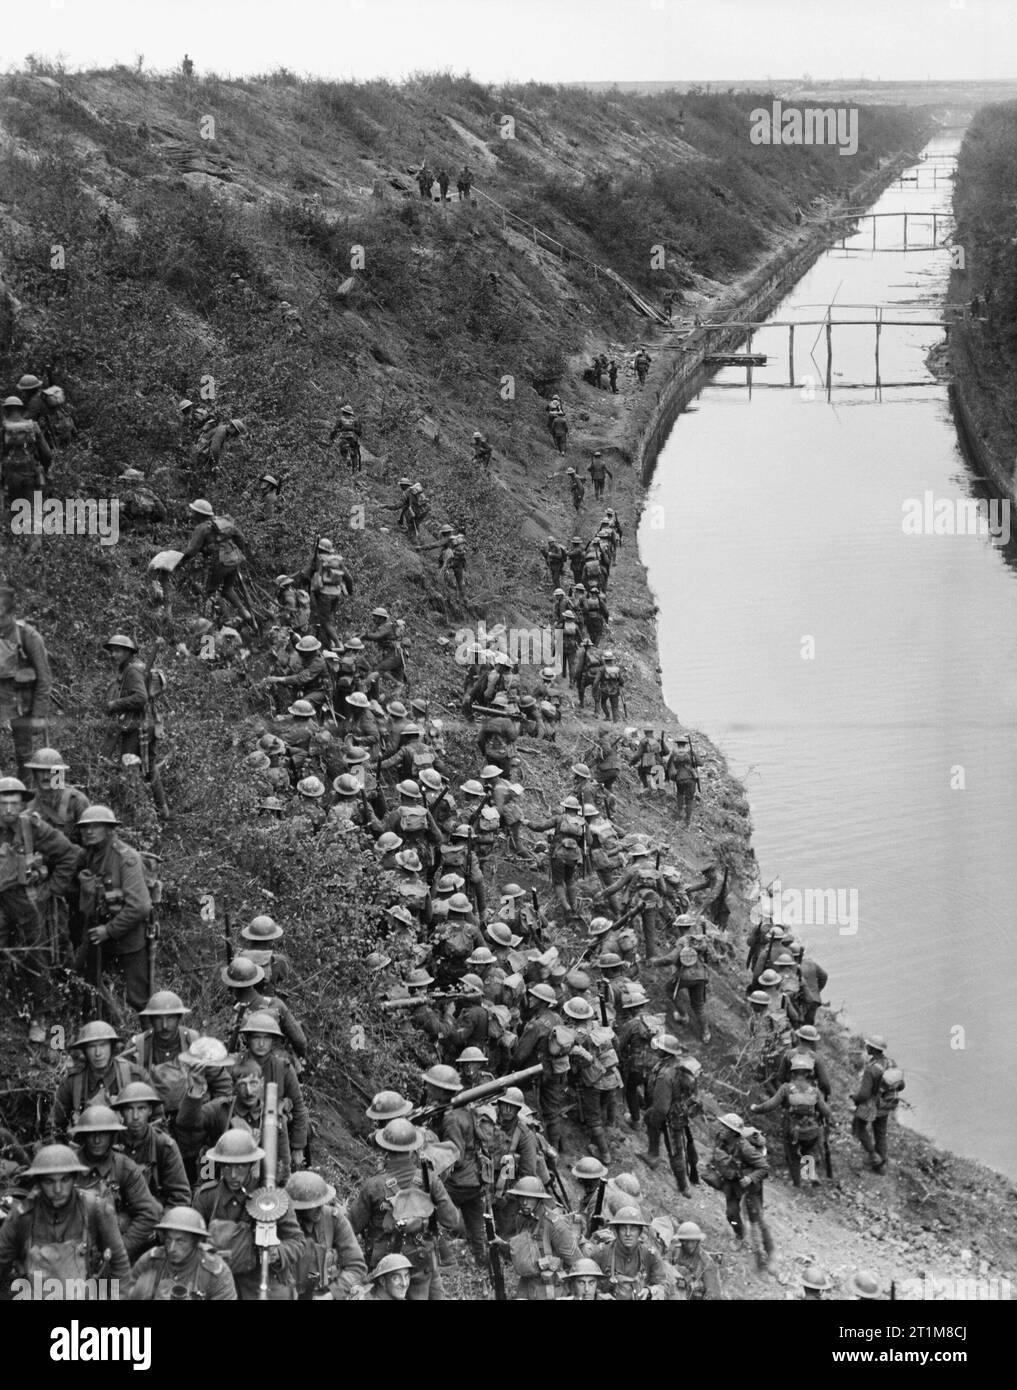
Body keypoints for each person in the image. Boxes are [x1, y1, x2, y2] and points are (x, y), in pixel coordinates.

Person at [347, 1118, 462, 1302]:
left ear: (385, 1149)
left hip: (384, 1268)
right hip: (419, 1262)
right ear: (413, 1148)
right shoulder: (430, 1180)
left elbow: (350, 1228)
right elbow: (451, 1220)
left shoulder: (373, 1186)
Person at [0, 774, 80, 1028]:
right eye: (3, 804)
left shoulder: (32, 827)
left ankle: (41, 1016)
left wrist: (52, 888)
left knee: (37, 956)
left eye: (14, 803)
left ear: (23, 805)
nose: (9, 809)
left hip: (27, 899)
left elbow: (69, 855)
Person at [0, 1144, 130, 1296]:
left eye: (64, 1180)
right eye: (49, 1182)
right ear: (39, 1183)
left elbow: (120, 1266)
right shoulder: (22, 1216)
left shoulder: (95, 1209)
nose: (58, 1189)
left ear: (74, 1178)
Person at [191, 1128, 303, 1300]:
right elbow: (191, 1241)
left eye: (241, 1166)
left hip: (260, 1278)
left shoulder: (273, 1197)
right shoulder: (207, 1197)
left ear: (252, 1164)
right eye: (227, 1167)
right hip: (216, 1277)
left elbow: (297, 1242)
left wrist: (278, 1252)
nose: (233, 1175)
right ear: (219, 1164)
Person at [73, 803, 152, 1012]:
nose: (89, 831)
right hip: (99, 932)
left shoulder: (126, 858)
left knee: (140, 998)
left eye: (96, 826)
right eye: (85, 827)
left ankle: (150, 1040)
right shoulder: (88, 856)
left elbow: (140, 907)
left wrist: (109, 931)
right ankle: (110, 1028)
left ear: (109, 829)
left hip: (128, 936)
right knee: (87, 983)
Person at [70, 1104, 163, 1261]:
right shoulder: (68, 1163)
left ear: (112, 1136)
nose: (97, 1140)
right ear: (84, 1136)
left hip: (110, 1246)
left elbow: (149, 1214)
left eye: (103, 1134)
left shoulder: (124, 1168)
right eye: (92, 1134)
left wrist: (120, 1249)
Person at [102, 633, 169, 817]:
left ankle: (138, 813)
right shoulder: (130, 669)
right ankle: (161, 810)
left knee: (131, 767)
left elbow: (141, 697)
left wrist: (115, 704)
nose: (114, 655)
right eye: (112, 651)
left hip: (139, 727)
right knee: (148, 767)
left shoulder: (132, 671)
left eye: (118, 651)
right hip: (142, 723)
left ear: (128, 652)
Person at [703, 1113, 776, 1273]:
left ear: (733, 1132)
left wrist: (750, 1179)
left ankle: (769, 1253)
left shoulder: (745, 1148)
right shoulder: (720, 1139)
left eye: (726, 1128)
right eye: (722, 1126)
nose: (721, 1130)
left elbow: (764, 1168)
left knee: (757, 1220)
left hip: (749, 1185)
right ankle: (739, 1234)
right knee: (732, 1214)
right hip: (732, 1182)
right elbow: (716, 1153)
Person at [53, 1019, 151, 1134]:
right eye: (91, 1047)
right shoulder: (73, 1083)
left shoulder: (135, 1076)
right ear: (84, 1051)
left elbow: (157, 1121)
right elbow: (56, 1127)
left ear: (112, 1046)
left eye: (103, 1045)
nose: (98, 1053)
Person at [750, 1054, 833, 1188]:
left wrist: (756, 1108)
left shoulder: (786, 1088)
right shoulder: (815, 1091)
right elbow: (827, 1112)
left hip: (793, 1131)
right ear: (808, 1073)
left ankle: (797, 1184)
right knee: (808, 1151)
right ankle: (810, 1175)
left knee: (793, 1157)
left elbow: (771, 1104)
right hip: (811, 1131)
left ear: (792, 1072)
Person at [286, 1171, 369, 1300]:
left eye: (321, 1202)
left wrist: (332, 1294)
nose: (320, 1207)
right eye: (313, 1205)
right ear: (298, 1207)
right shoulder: (282, 1225)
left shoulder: (333, 1219)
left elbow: (357, 1266)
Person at [175, 498, 255, 629]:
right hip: (234, 559)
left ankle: (229, 619)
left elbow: (192, 550)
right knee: (227, 589)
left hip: (221, 562)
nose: (193, 515)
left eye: (195, 512)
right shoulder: (223, 521)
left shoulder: (202, 528)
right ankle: (244, 612)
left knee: (211, 591)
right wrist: (241, 552)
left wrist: (179, 562)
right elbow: (240, 537)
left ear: (200, 515)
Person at [110, 1082, 192, 1208]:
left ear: (150, 1111)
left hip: (154, 1217)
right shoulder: (110, 1142)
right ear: (121, 1112)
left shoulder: (164, 1146)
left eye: (141, 1108)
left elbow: (180, 1197)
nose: (135, 1116)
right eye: (129, 1109)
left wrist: (162, 1224)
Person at [127, 1207, 237, 1300]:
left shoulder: (216, 1272)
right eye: (169, 1240)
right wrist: (135, 1294)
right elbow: (119, 1291)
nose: (171, 1248)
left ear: (195, 1241)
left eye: (180, 1241)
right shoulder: (151, 1260)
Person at [0, 584, 52, 778]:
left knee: (24, 754)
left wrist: (39, 714)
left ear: (10, 612)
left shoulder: (29, 636)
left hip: (22, 704)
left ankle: (28, 794)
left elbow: (44, 678)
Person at [641, 1038, 701, 1196]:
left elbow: (661, 1108)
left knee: (675, 1150)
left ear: (665, 1052)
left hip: (670, 1116)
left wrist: (656, 1120)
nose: (656, 1050)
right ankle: (652, 1155)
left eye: (660, 1048)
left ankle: (684, 1187)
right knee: (648, 1118)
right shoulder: (678, 1064)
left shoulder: (666, 1074)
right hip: (680, 1109)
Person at [503, 1175, 579, 1299]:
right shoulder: (521, 1219)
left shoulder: (554, 1225)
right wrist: (502, 1245)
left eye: (530, 1198)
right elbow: (522, 1251)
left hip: (551, 1289)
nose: (525, 1203)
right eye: (521, 1198)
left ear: (539, 1199)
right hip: (527, 1285)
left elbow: (577, 1263)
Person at [851, 1035, 905, 1173]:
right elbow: (900, 1085)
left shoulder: (871, 1068)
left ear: (872, 1049)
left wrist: (855, 1098)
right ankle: (881, 1165)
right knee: (880, 1132)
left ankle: (873, 1156)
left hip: (872, 1105)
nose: (866, 1047)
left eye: (867, 1046)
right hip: (887, 1104)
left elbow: (864, 1094)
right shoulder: (891, 1063)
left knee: (858, 1127)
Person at [594, 1206, 669, 1299]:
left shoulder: (650, 1254)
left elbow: (663, 1285)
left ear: (640, 1231)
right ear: (616, 1231)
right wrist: (599, 1296)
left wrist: (649, 1291)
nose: (628, 1234)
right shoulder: (602, 1253)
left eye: (633, 1229)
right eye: (623, 1228)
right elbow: (585, 1286)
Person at [670, 1221, 722, 1300]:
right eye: (686, 1241)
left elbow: (713, 1294)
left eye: (693, 1241)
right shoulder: (674, 1252)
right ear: (681, 1241)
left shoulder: (706, 1262)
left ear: (698, 1241)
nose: (689, 1245)